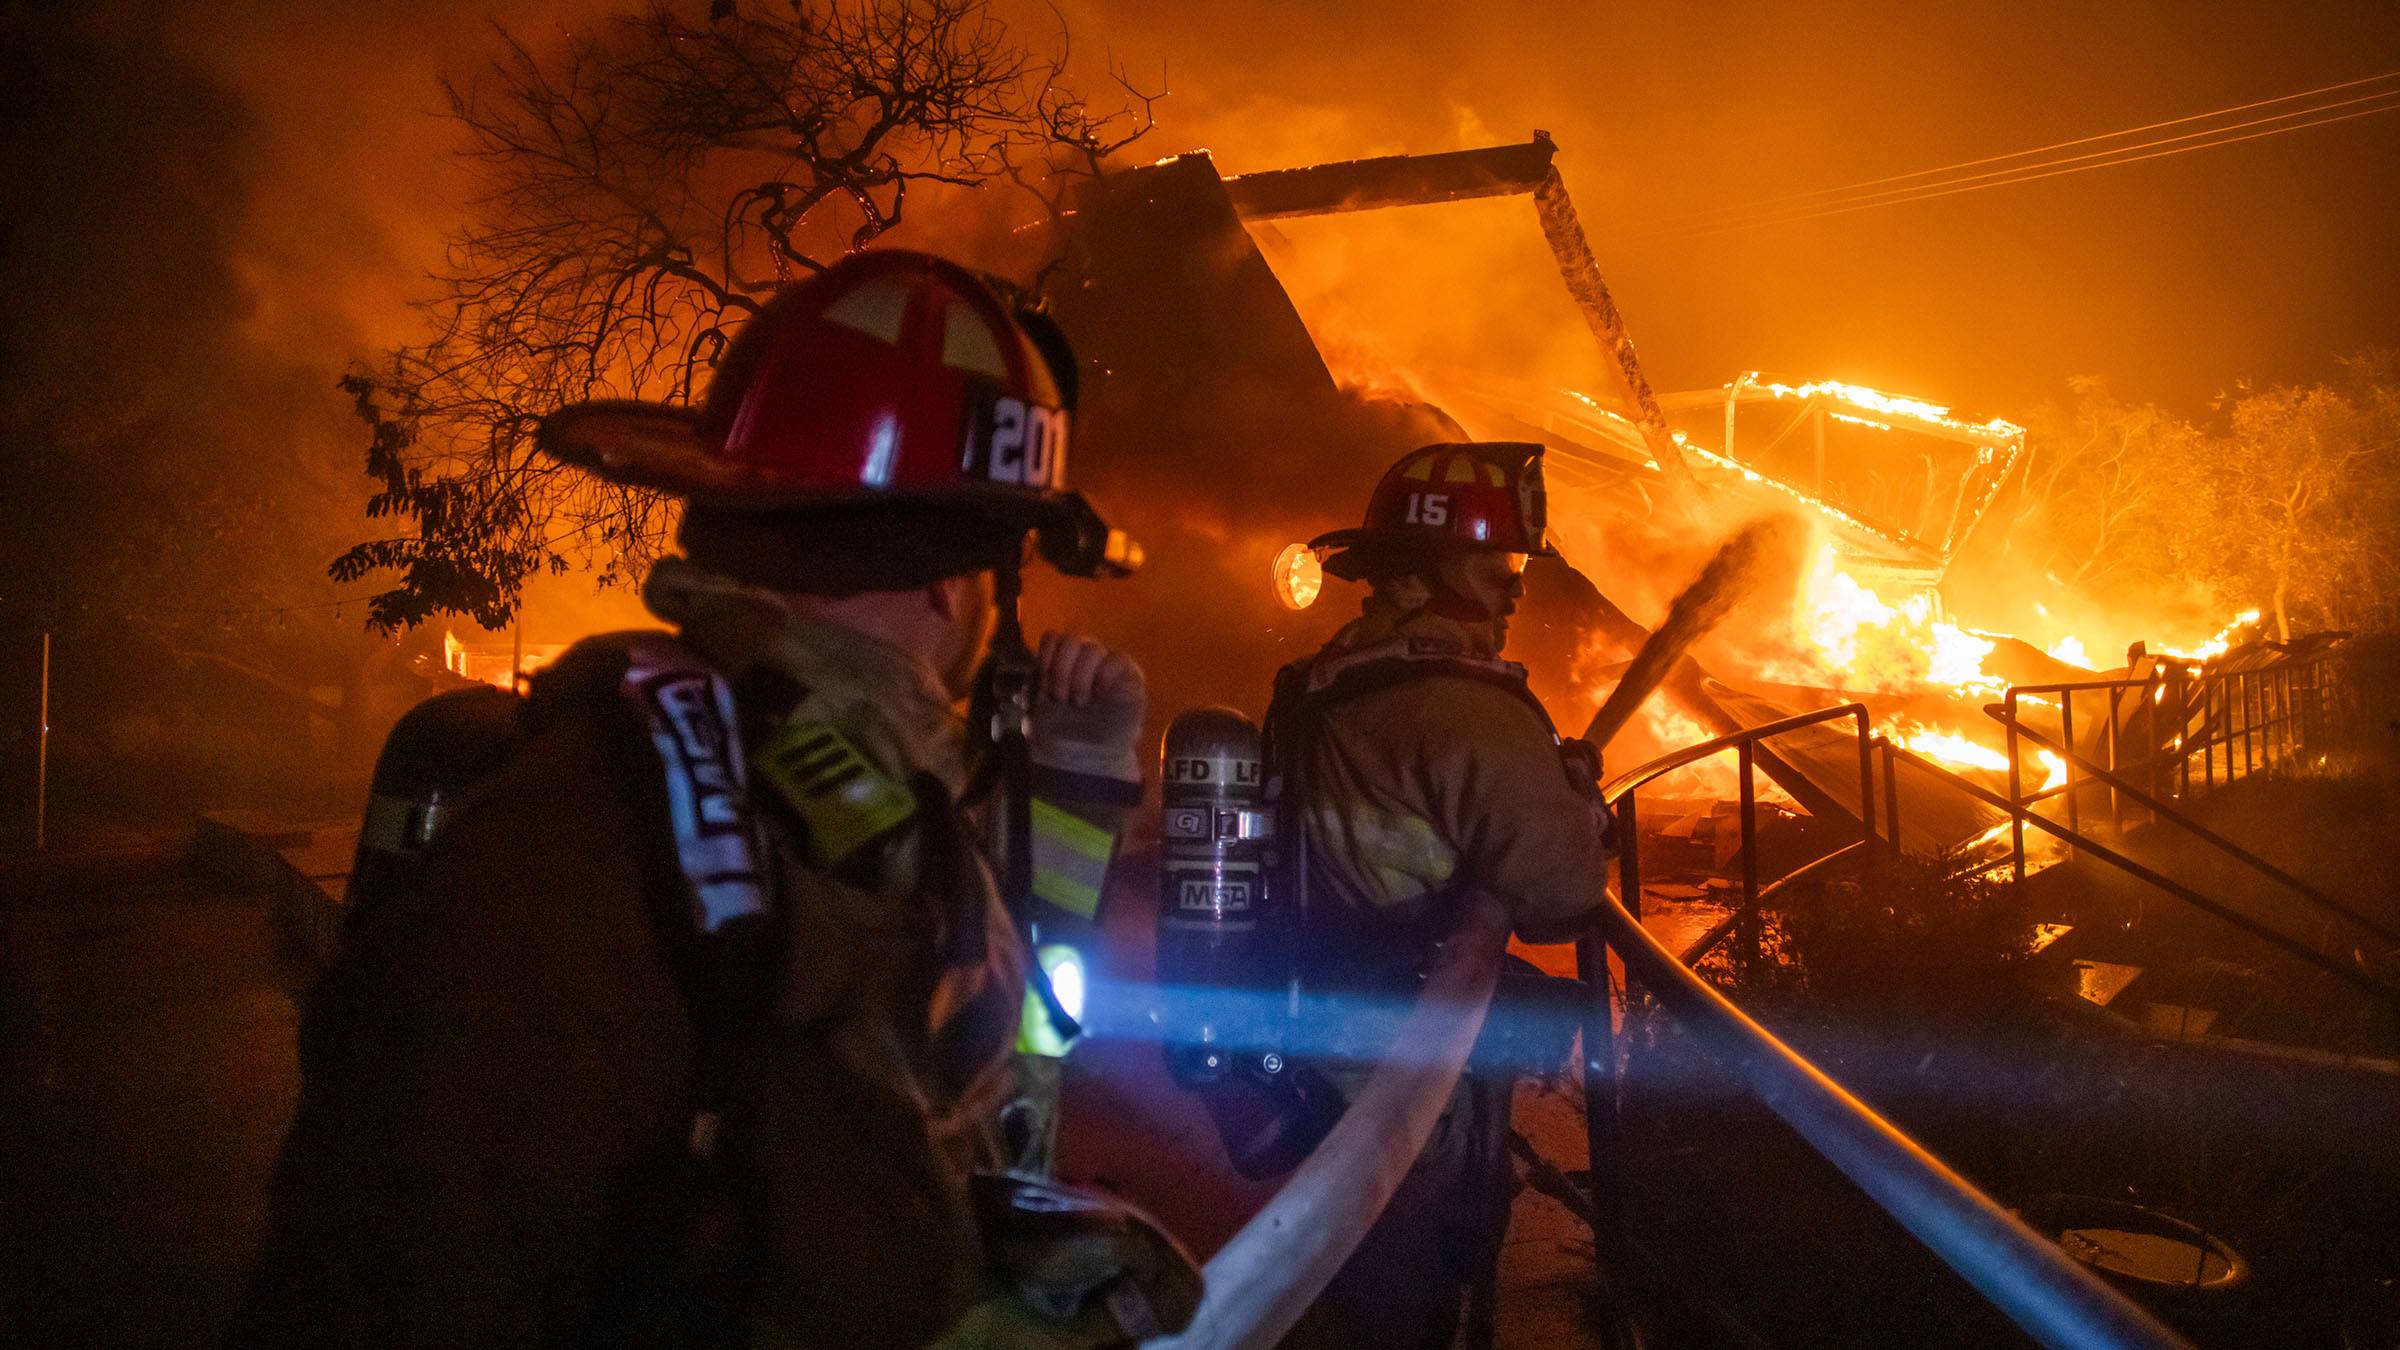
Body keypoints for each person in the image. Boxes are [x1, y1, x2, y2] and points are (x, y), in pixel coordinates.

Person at [229, 250, 1193, 1349]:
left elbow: (988, 1064)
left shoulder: (845, 798)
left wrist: (1074, 777)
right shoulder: (587, 850)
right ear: (950, 579)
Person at [1268, 440, 1614, 1348]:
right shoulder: (1464, 708)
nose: (1514, 587)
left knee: (1340, 1274)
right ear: (1434, 571)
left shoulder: (1336, 675)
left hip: (1323, 1034)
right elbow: (1559, 894)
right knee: (1404, 1292)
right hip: (1411, 1058)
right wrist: (1577, 804)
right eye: (1496, 563)